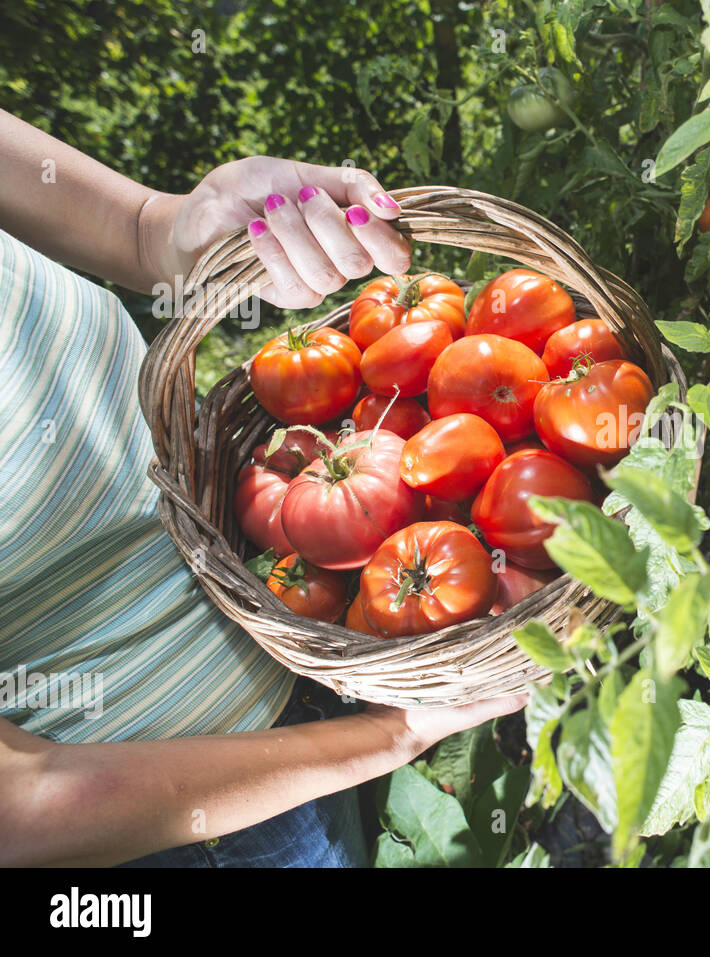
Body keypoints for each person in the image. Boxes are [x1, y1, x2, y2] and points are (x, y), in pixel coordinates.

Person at [0, 108, 527, 867]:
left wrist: (197, 226)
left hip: (313, 641)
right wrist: (395, 732)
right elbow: (23, 809)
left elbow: (141, 229)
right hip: (194, 827)